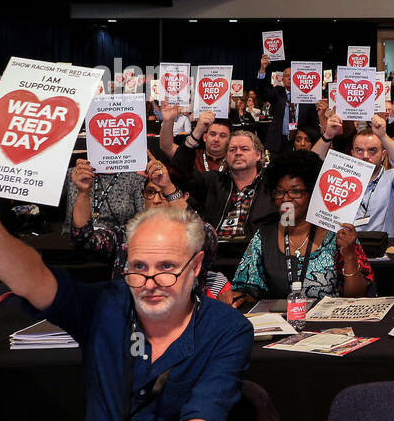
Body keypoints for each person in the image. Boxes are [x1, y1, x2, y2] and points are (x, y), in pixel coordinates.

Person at [0, 166, 252, 421]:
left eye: (167, 268)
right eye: (138, 267)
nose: (150, 283)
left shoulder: (226, 328)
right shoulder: (106, 304)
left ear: (197, 265)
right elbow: (33, 279)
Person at [221, 151, 372, 309]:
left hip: (330, 324)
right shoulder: (264, 236)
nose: (286, 199)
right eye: (280, 192)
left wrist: (349, 255)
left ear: (313, 193)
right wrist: (238, 296)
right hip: (281, 323)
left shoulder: (338, 235)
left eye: (295, 191)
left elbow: (357, 297)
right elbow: (248, 289)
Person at [70, 155, 231, 299]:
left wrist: (168, 187)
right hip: (131, 321)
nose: (156, 200)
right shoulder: (126, 235)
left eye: (164, 194)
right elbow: (84, 239)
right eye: (150, 192)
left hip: (183, 322)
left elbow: (206, 237)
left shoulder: (194, 238)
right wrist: (84, 192)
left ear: (183, 196)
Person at [163, 124, 277, 241]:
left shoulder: (271, 185)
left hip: (254, 251)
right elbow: (179, 173)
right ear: (226, 156)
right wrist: (196, 133)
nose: (238, 153)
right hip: (215, 251)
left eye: (244, 149)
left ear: (258, 155)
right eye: (232, 150)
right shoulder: (213, 181)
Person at [314, 113, 394, 238]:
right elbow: (310, 165)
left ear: (383, 155)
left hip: (387, 250)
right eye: (359, 150)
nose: (365, 156)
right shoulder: (339, 180)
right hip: (348, 250)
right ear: (352, 153)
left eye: (372, 150)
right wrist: (327, 136)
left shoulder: (393, 179)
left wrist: (383, 136)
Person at [61, 157, 146, 236]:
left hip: (119, 245)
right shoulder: (75, 172)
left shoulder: (136, 176)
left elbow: (147, 219)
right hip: (72, 244)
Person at [254, 55, 318, 155]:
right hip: (278, 142)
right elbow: (261, 91)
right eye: (286, 76)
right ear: (282, 79)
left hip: (300, 143)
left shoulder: (307, 98)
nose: (289, 78)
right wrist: (263, 69)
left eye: (292, 76)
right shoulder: (277, 92)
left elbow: (314, 124)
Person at [160, 107, 232, 174]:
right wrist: (168, 121)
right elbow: (167, 147)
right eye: (213, 134)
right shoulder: (192, 155)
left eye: (222, 136)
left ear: (229, 140)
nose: (216, 139)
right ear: (205, 137)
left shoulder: (234, 159)